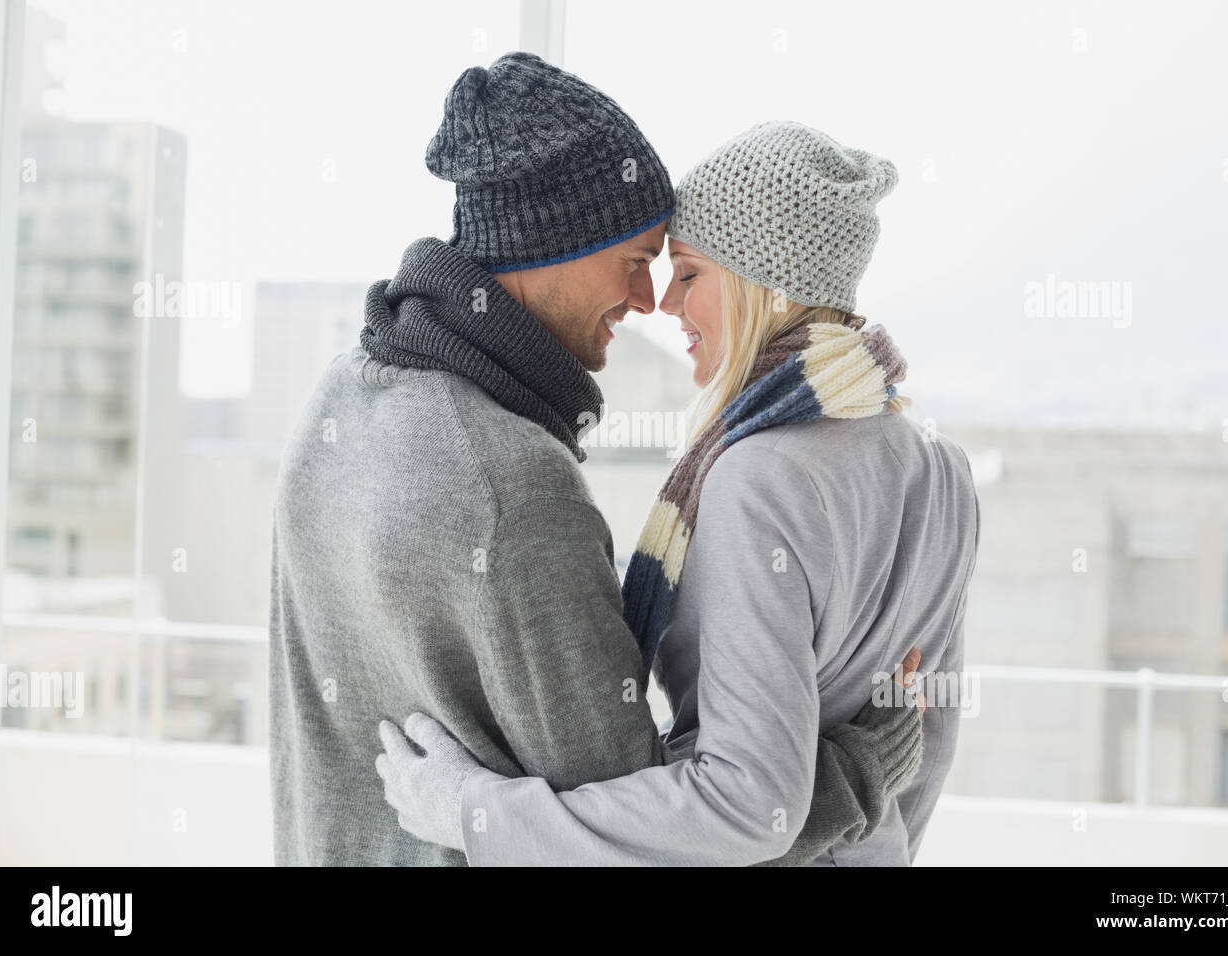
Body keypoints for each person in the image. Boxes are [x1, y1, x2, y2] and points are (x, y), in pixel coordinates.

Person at [271, 55, 926, 867]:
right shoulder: (511, 486)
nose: (651, 301)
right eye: (637, 262)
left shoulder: (337, 404)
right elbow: (656, 846)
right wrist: (863, 774)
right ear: (552, 244)